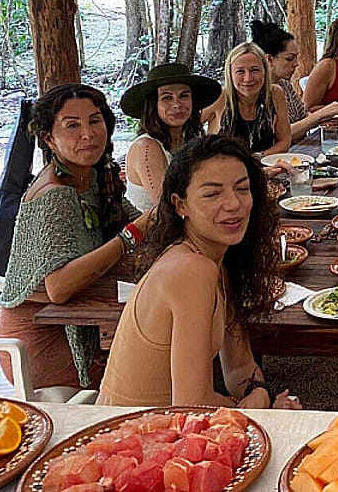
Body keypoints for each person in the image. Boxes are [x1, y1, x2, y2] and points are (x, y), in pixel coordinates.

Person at [99, 135, 301, 409]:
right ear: (180, 204)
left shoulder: (216, 262)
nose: (233, 204)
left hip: (168, 424)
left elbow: (240, 369)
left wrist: (262, 395)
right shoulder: (191, 269)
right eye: (212, 194)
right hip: (135, 428)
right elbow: (193, 404)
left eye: (242, 189)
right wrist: (257, 404)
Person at [0, 84, 155, 389]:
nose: (88, 134)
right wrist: (131, 236)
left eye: (95, 121)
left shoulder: (92, 175)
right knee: (164, 360)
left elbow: (140, 222)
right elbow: (58, 288)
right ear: (49, 138)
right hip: (41, 343)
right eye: (72, 125)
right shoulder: (55, 194)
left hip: (77, 320)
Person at [120, 63, 219, 211]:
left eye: (184, 96)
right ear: (154, 104)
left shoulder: (191, 140)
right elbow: (168, 207)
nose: (177, 104)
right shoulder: (146, 147)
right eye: (167, 98)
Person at [250, 20, 338, 142]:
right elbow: (281, 135)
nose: (296, 64)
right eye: (289, 59)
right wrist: (321, 114)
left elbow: (304, 116)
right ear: (269, 59)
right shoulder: (257, 93)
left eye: (296, 58)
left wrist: (334, 114)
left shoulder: (285, 85)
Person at [202, 43, 291, 156]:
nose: (248, 78)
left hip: (263, 164)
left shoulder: (275, 94)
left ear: (265, 71)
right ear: (230, 74)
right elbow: (187, 127)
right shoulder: (219, 97)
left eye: (255, 70)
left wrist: (257, 158)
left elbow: (284, 142)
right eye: (240, 71)